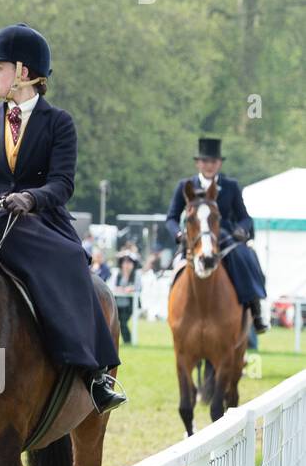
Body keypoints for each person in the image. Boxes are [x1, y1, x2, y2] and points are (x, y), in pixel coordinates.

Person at [0, 23, 126, 414]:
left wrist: (29, 198)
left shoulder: (58, 122)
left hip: (37, 217)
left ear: (24, 73)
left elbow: (63, 184)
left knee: (69, 263)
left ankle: (94, 372)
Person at [165, 137, 269, 333]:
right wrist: (179, 235)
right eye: (205, 161)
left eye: (213, 162)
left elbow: (245, 218)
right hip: (193, 240)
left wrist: (240, 230)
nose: (209, 166)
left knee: (247, 257)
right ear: (198, 163)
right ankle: (172, 311)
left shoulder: (231, 186)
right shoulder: (185, 186)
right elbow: (170, 218)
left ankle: (256, 309)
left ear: (219, 163)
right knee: (176, 267)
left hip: (225, 239)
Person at [107, 251, 140, 345]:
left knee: (123, 323)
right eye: (125, 262)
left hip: (129, 304)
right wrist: (120, 289)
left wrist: (131, 288)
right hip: (117, 303)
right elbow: (111, 286)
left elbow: (138, 287)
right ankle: (122, 341)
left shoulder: (136, 274)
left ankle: (128, 341)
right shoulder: (117, 274)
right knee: (116, 323)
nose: (126, 265)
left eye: (129, 263)